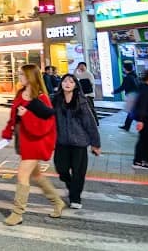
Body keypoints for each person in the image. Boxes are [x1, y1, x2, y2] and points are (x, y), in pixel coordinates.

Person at [0, 64, 65, 226]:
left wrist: (27, 115)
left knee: (22, 175)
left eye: (22, 74)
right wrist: (7, 133)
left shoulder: (41, 98)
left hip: (35, 142)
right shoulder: (21, 94)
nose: (19, 76)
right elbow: (13, 117)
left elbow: (47, 125)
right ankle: (57, 202)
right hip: (23, 140)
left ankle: (18, 213)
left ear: (31, 76)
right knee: (36, 175)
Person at [52, 74, 101, 209]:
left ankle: (75, 198)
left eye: (71, 82)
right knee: (61, 169)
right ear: (61, 84)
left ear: (75, 85)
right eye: (65, 81)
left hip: (79, 143)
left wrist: (95, 144)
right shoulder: (55, 100)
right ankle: (72, 187)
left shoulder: (81, 101)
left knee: (78, 173)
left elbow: (90, 123)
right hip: (61, 142)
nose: (67, 83)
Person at [114, 62, 140, 131]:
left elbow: (123, 87)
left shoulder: (128, 77)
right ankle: (127, 126)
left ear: (125, 69)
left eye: (123, 68)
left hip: (131, 96)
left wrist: (114, 92)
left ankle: (144, 124)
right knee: (131, 111)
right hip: (136, 95)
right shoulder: (135, 76)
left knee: (133, 112)